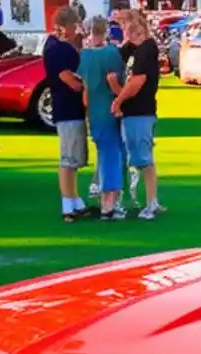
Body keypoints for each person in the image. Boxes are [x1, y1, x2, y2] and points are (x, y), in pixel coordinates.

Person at [110, 13, 163, 220]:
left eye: (125, 27)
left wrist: (118, 98)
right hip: (135, 111)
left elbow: (137, 81)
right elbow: (118, 56)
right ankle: (150, 201)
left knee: (143, 159)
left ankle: (151, 203)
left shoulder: (146, 49)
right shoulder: (134, 48)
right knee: (141, 157)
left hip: (141, 111)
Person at [80, 16, 127, 220]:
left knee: (103, 153)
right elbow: (118, 84)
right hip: (111, 108)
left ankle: (104, 198)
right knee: (113, 154)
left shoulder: (84, 56)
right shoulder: (111, 54)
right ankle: (110, 202)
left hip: (94, 112)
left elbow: (85, 93)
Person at [44, 6, 88, 222]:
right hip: (67, 108)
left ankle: (74, 199)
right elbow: (68, 79)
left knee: (73, 158)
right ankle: (67, 204)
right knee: (69, 159)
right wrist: (84, 82)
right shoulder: (58, 49)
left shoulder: (56, 46)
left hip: (69, 108)